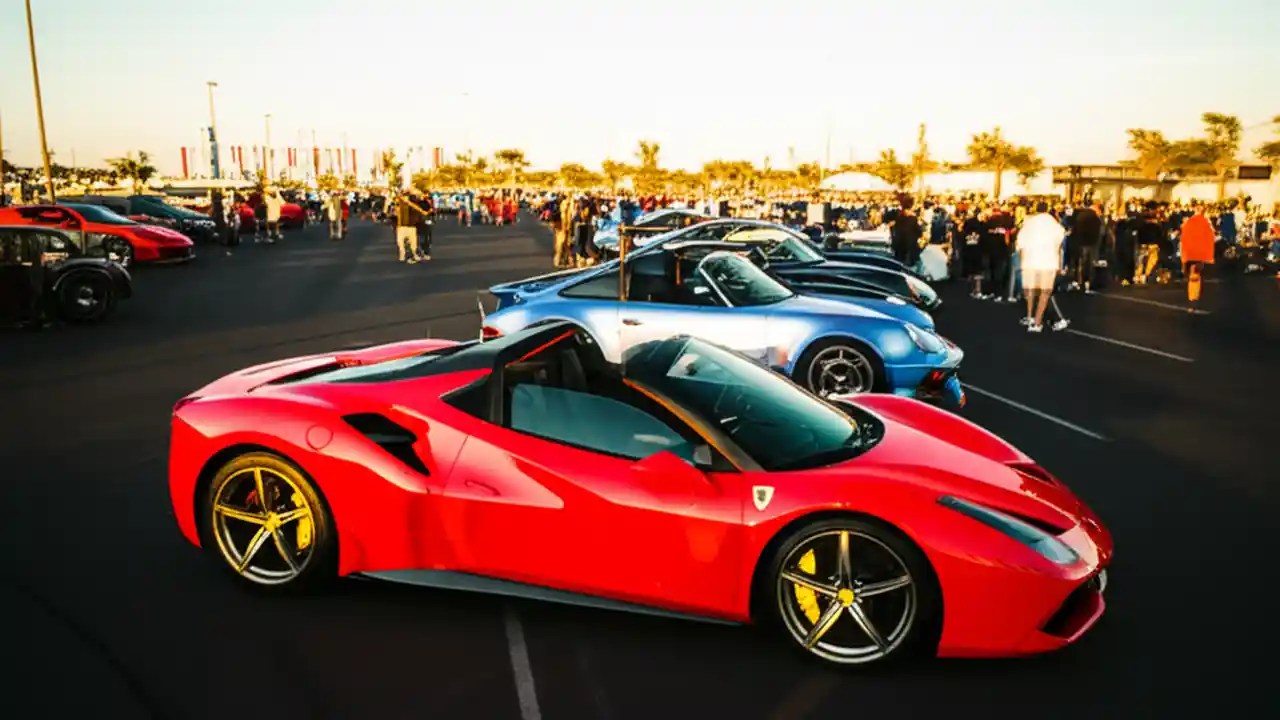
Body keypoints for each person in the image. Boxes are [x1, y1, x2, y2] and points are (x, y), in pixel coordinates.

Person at [1018, 201, 1069, 332]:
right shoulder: (1054, 224)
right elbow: (1060, 242)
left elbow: (1021, 242)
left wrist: (1022, 260)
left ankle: (1029, 316)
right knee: (1045, 292)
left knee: (1030, 290)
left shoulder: (1029, 223)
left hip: (1030, 260)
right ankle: (1037, 321)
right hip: (1048, 261)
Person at [1179, 204, 1215, 309]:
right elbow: (1210, 237)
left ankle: (1192, 296)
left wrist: (1183, 256)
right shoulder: (1205, 223)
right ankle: (1194, 296)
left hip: (1189, 253)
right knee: (1196, 275)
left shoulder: (1188, 223)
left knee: (1192, 275)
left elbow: (1183, 238)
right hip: (1199, 254)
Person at [1070, 200, 1103, 292]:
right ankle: (1089, 282)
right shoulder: (1096, 218)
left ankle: (1079, 281)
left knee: (1081, 263)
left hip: (1081, 243)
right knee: (1090, 263)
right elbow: (1100, 232)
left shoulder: (1080, 216)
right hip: (1092, 243)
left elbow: (1075, 230)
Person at [395, 190, 423, 263]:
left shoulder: (413, 204)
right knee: (400, 242)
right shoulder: (399, 204)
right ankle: (402, 253)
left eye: (407, 197)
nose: (405, 199)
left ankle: (414, 254)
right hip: (401, 226)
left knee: (413, 242)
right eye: (404, 197)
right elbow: (394, 210)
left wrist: (409, 203)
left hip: (411, 226)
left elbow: (419, 210)